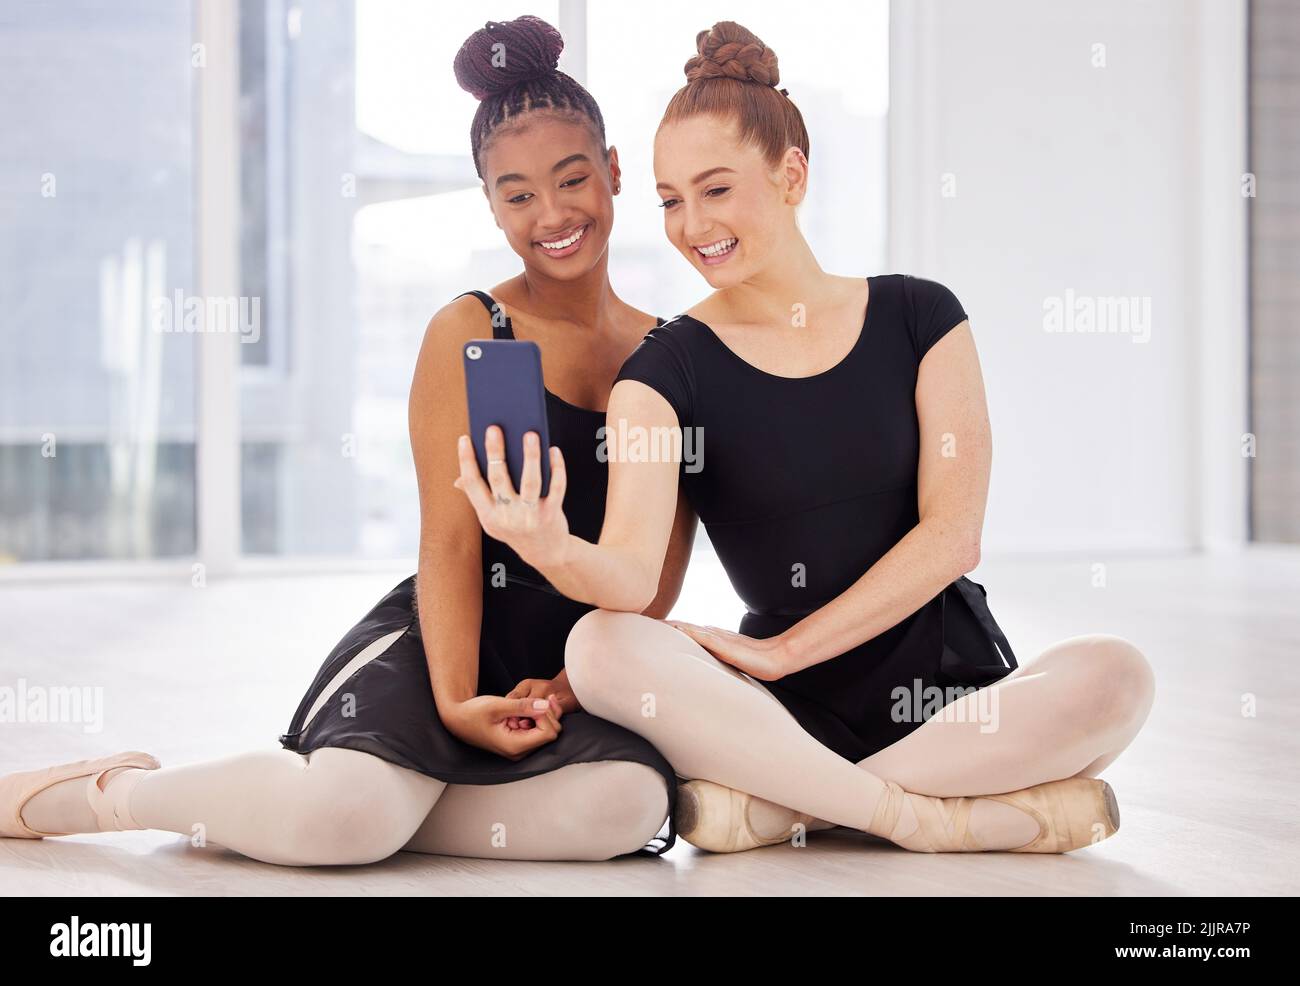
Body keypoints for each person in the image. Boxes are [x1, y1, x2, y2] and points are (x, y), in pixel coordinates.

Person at [1, 15, 696, 864]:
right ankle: (109, 796)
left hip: (576, 669)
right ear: (490, 204)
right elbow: (447, 543)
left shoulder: (671, 355)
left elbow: (656, 574)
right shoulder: (472, 330)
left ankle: (380, 807)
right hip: (449, 640)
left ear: (614, 173)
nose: (550, 213)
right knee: (338, 824)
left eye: (572, 179)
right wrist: (450, 702)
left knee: (628, 806)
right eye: (517, 194)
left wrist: (567, 688)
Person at [451, 21, 1156, 854]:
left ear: (791, 174)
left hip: (949, 693)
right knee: (602, 644)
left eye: (715, 190)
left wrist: (788, 650)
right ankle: (926, 817)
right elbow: (632, 580)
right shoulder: (659, 373)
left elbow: (954, 536)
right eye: (671, 199)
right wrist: (547, 543)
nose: (691, 225)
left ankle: (793, 810)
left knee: (1117, 675)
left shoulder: (921, 316)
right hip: (777, 715)